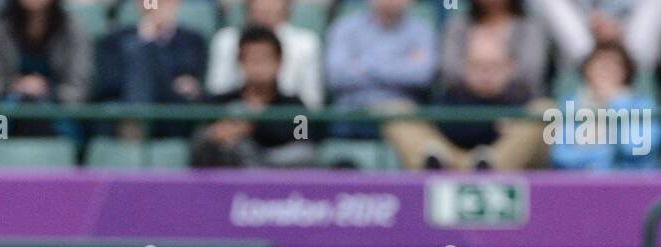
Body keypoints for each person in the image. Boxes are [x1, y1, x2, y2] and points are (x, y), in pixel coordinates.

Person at [385, 26, 551, 169]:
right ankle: (453, 167)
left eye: (494, 65)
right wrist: (495, 124)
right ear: (464, 67)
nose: (486, 73)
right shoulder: (451, 94)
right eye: (477, 65)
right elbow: (447, 127)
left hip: (501, 168)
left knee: (545, 109)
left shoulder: (521, 98)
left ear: (510, 67)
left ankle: (488, 167)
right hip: (449, 161)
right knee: (395, 109)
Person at [191, 26, 310, 167]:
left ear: (279, 62)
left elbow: (302, 139)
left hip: (279, 174)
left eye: (265, 58)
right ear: (240, 62)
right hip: (233, 177)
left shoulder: (294, 106)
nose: (258, 65)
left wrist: (252, 126)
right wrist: (217, 133)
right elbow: (201, 137)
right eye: (252, 58)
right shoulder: (219, 103)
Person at [94, 0, 206, 137]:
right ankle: (135, 124)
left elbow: (192, 84)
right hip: (124, 106)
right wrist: (144, 40)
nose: (158, 5)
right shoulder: (113, 40)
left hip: (172, 110)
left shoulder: (193, 41)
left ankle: (136, 124)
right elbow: (108, 84)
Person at [547, 39, 661, 168]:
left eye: (613, 66)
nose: (605, 71)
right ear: (587, 70)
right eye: (599, 65)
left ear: (626, 71)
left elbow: (635, 147)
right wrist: (604, 153)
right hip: (578, 183)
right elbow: (560, 155)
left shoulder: (643, 105)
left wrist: (616, 103)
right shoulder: (570, 104)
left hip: (629, 183)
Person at [324, 0, 437, 129]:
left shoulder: (422, 30)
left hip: (403, 110)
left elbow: (422, 76)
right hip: (354, 113)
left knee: (399, 113)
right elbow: (336, 76)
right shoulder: (345, 27)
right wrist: (400, 64)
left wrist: (364, 65)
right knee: (400, 117)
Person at [0, 0, 91, 128]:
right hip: (7, 107)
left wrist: (48, 89)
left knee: (64, 125)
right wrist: (16, 86)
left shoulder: (72, 26)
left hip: (59, 110)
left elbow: (79, 89)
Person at [207, 0, 324, 108]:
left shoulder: (307, 42)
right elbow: (217, 91)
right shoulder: (225, 39)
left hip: (288, 121)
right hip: (235, 117)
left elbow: (311, 104)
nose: (265, 5)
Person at [530, 0, 661, 72]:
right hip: (581, 48)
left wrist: (619, 28)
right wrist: (591, 23)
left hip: (633, 49)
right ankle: (591, 63)